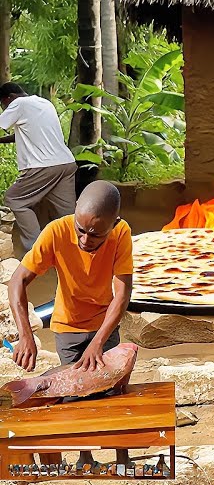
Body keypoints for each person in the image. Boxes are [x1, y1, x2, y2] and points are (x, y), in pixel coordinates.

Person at [7, 180, 132, 466]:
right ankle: (85, 458)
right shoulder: (56, 232)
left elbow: (122, 295)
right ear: (75, 211)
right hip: (67, 326)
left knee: (112, 393)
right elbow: (18, 280)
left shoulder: (122, 234)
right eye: (81, 230)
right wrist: (25, 335)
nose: (86, 240)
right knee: (74, 395)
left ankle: (123, 460)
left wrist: (99, 342)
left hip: (104, 324)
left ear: (115, 223)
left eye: (96, 235)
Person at [0, 82, 78, 257]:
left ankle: (37, 251)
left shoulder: (18, 104)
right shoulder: (44, 103)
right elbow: (25, 133)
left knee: (15, 199)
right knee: (67, 214)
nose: (5, 108)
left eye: (3, 105)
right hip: (65, 164)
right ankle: (77, 251)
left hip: (42, 167)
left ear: (8, 98)